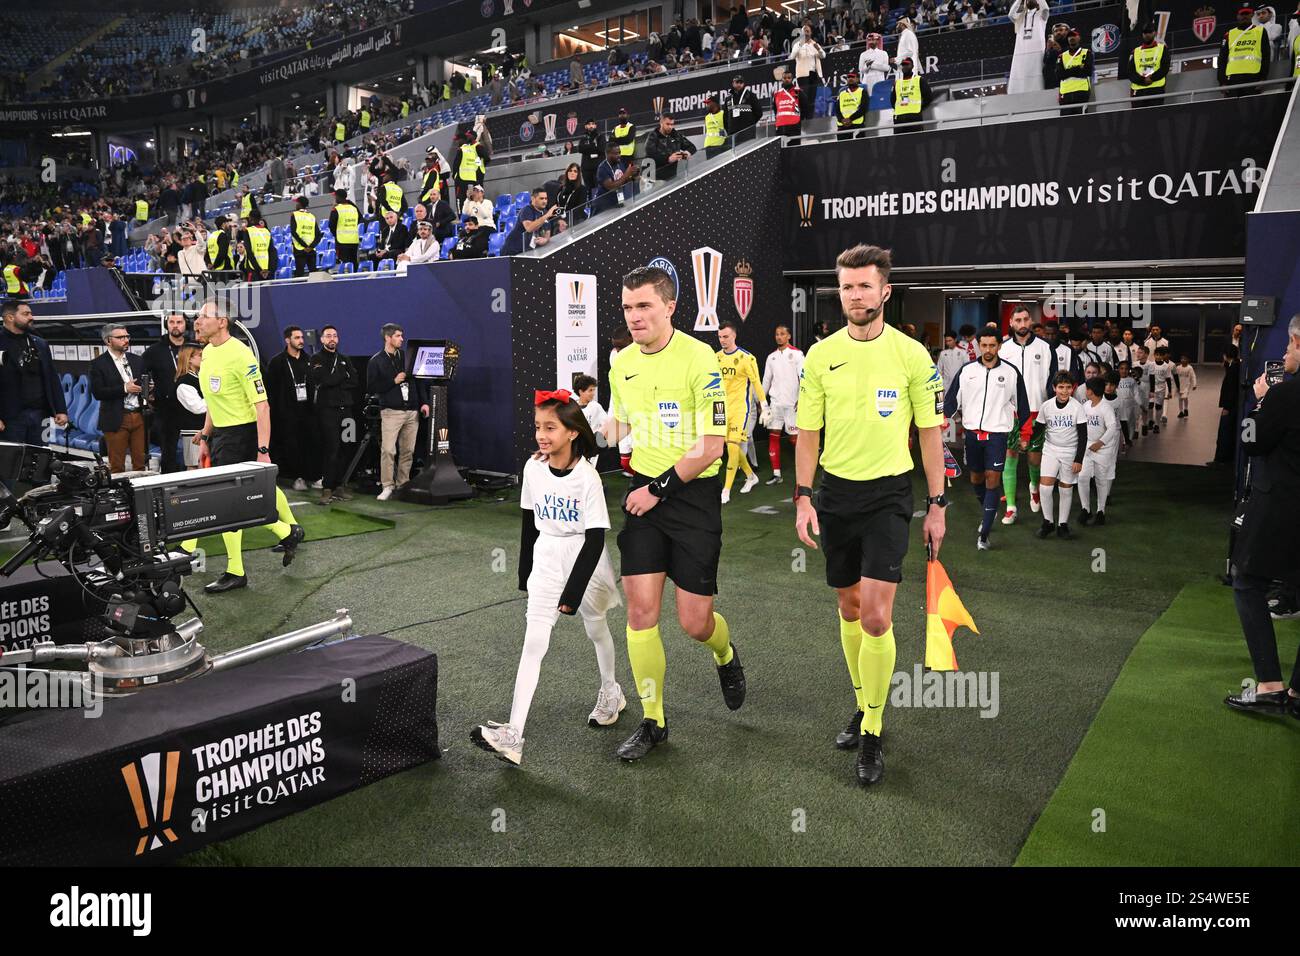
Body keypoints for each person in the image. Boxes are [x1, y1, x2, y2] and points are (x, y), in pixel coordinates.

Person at [793, 244, 947, 786]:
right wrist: (804, 495)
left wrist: (937, 504)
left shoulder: (912, 356)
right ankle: (863, 702)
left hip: (888, 497)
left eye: (865, 286)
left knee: (879, 616)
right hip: (836, 496)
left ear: (885, 291)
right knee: (851, 608)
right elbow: (808, 431)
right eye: (848, 286)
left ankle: (875, 730)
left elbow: (930, 433)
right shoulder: (819, 356)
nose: (856, 295)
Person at [604, 266, 744, 761]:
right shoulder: (621, 363)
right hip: (644, 493)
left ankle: (725, 655)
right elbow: (616, 431)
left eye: (644, 306)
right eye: (627, 307)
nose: (635, 316)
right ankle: (653, 720)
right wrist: (566, 436)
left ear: (669, 307)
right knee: (641, 613)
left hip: (689, 498)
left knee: (693, 622)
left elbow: (710, 447)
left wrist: (659, 490)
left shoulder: (700, 359)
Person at [470, 391, 625, 765]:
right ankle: (513, 735)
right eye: (538, 426)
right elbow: (528, 521)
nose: (541, 434)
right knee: (534, 642)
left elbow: (595, 539)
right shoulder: (533, 467)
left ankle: (611, 692)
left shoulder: (588, 478)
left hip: (584, 559)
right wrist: (525, 573)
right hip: (546, 555)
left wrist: (572, 593)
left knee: (595, 627)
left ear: (572, 432)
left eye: (550, 427)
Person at [186, 301, 304, 593]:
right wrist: (206, 434)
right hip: (222, 436)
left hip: (243, 435)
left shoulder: (241, 355)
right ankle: (288, 532)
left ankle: (241, 566)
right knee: (248, 497)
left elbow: (262, 406)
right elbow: (214, 399)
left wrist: (263, 452)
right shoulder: (210, 352)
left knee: (229, 505)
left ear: (222, 321)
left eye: (203, 316)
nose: (197, 321)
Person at [1223, 314, 1300, 717]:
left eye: (1289, 345)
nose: (1285, 352)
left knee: (1247, 582)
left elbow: (1251, 442)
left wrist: (1260, 401)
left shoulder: (1286, 394)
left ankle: (1270, 685)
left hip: (1281, 508)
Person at [944, 325, 1030, 551]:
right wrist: (942, 421)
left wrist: (1025, 434)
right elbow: (952, 400)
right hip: (972, 435)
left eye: (993, 345)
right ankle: (988, 512)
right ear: (978, 346)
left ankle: (985, 533)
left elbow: (1022, 405)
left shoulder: (1011, 373)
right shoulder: (967, 370)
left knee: (993, 478)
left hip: (997, 435)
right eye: (984, 345)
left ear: (999, 346)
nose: (988, 349)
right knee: (976, 479)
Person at [998, 305, 1057, 524]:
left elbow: (1052, 382)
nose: (1022, 324)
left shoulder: (1045, 347)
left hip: (1037, 412)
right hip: (1010, 412)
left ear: (1030, 321)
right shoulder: (1002, 349)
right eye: (1018, 320)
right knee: (1009, 457)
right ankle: (1011, 507)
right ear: (1011, 323)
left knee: (1034, 459)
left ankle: (1034, 487)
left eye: (1025, 320)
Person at [367, 323, 430, 500]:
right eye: (397, 336)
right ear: (388, 338)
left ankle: (403, 484)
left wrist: (424, 403)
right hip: (391, 412)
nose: (401, 339)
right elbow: (371, 387)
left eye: (402, 336)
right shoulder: (376, 361)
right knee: (388, 450)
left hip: (411, 411)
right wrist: (393, 381)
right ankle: (387, 486)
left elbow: (418, 381)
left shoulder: (407, 357)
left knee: (408, 450)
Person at [0, 300, 68, 447]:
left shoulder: (40, 343)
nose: (32, 317)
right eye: (26, 314)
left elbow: (52, 378)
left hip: (41, 415)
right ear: (10, 317)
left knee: (41, 457)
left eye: (31, 313)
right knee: (10, 463)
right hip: (10, 417)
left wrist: (61, 409)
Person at [715, 320, 767, 503]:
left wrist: (765, 406)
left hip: (740, 409)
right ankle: (751, 476)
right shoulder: (716, 358)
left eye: (726, 336)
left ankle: (726, 490)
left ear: (734, 336)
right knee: (730, 449)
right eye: (720, 336)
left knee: (732, 447)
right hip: (720, 409)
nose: (723, 340)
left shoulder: (747, 358)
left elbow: (757, 383)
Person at [264, 326, 321, 492]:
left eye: (302, 337)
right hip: (286, 414)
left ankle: (313, 476)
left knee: (310, 444)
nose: (301, 341)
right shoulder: (277, 362)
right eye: (297, 338)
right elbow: (271, 389)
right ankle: (296, 478)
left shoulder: (309, 360)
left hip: (307, 412)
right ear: (288, 340)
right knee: (290, 446)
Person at [1032, 370, 1088, 539]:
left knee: (1065, 488)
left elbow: (1083, 436)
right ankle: (1047, 522)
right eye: (1061, 387)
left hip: (1070, 451)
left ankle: (1062, 524)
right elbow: (1038, 430)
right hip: (1050, 449)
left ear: (1073, 389)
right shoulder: (1047, 406)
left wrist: (1079, 459)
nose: (1064, 391)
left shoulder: (1077, 407)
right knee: (1045, 487)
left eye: (1068, 387)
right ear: (1054, 388)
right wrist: (1026, 440)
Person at [308, 324, 358, 505]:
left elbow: (354, 381)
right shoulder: (316, 358)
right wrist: (341, 376)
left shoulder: (345, 358)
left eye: (335, 336)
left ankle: (340, 486)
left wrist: (339, 379)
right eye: (328, 335)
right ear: (322, 339)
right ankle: (327, 488)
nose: (332, 339)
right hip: (328, 412)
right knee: (332, 449)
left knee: (347, 447)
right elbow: (324, 380)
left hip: (347, 412)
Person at [90, 324, 147, 474]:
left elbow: (142, 384)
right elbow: (98, 392)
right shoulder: (98, 364)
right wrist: (124, 388)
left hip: (139, 416)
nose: (126, 340)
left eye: (127, 336)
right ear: (108, 341)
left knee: (140, 464)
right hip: (116, 418)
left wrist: (148, 390)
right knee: (117, 466)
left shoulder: (137, 360)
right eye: (121, 337)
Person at [143, 312, 189, 474]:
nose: (175, 325)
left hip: (193, 408)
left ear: (185, 324)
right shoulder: (155, 351)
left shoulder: (194, 347)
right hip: (166, 410)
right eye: (172, 322)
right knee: (168, 452)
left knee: (196, 449)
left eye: (179, 322)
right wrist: (147, 393)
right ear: (166, 325)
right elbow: (140, 372)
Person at [761, 324, 803, 484]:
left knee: (795, 440)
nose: (779, 336)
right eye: (777, 334)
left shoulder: (797, 354)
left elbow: (803, 378)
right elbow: (766, 380)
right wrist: (761, 402)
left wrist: (802, 398)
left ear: (789, 336)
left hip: (792, 405)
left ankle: (804, 473)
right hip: (775, 404)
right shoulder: (771, 357)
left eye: (782, 334)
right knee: (773, 437)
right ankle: (776, 474)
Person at [1076, 376, 1119, 525]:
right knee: (1082, 477)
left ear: (1091, 391)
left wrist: (1100, 443)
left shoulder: (1105, 407)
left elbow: (1112, 427)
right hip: (1088, 448)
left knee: (1101, 480)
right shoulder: (1086, 406)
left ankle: (1101, 511)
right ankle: (1085, 509)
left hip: (1103, 450)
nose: (1085, 391)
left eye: (1087, 388)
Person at [1218, 5, 1271, 93]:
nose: (1244, 16)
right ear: (1237, 16)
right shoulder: (1229, 34)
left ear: (1252, 15)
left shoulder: (1260, 31)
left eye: (1247, 14)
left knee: (1253, 106)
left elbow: (1266, 55)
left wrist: (1263, 78)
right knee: (1232, 106)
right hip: (1232, 79)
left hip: (1254, 77)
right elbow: (1222, 59)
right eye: (1242, 14)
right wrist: (1222, 82)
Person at [173, 344, 206, 469]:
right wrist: (216, 400)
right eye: (200, 355)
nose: (204, 358)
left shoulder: (200, 377)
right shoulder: (184, 382)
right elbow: (197, 407)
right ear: (189, 359)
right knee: (194, 468)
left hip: (203, 431)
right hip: (192, 433)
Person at [1007, 0, 1051, 93]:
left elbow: (1046, 8)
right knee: (1020, 73)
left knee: (1037, 74)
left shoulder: (1041, 16)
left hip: (1037, 52)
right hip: (1021, 52)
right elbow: (1010, 15)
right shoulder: (1020, 17)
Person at [503, 187, 561, 255]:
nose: (544, 201)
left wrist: (545, 240)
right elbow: (529, 228)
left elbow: (547, 231)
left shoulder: (545, 212)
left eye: (546, 198)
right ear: (533, 199)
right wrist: (547, 215)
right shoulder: (526, 210)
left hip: (527, 252)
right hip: (512, 251)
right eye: (541, 198)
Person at [644, 114, 698, 183]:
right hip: (655, 178)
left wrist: (684, 154)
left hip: (672, 178)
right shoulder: (653, 136)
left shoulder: (676, 135)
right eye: (668, 124)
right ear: (661, 123)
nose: (670, 127)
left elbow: (692, 147)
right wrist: (668, 159)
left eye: (672, 124)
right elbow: (650, 156)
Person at [591, 143, 640, 216]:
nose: (619, 155)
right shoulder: (602, 168)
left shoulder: (619, 163)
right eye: (615, 153)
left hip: (617, 203)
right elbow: (612, 187)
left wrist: (633, 175)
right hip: (603, 207)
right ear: (607, 154)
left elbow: (623, 181)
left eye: (619, 153)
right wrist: (627, 174)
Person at [1129, 21, 1170, 106]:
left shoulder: (1163, 49)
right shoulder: (1136, 51)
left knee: (1155, 117)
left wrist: (1152, 78)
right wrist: (1142, 80)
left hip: (1156, 89)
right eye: (1145, 32)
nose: (1147, 35)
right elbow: (1130, 71)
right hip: (1138, 90)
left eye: (1149, 32)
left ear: (1154, 33)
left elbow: (1165, 68)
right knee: (1138, 118)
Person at [1215, 344, 1243, 463]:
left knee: (1225, 432)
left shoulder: (1234, 369)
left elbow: (1230, 390)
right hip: (1232, 405)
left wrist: (1226, 407)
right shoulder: (1234, 366)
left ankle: (1222, 458)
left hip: (1230, 407)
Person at [792, 22, 826, 118]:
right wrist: (800, 44)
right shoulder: (797, 44)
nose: (806, 33)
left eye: (808, 31)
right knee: (804, 98)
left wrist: (818, 49)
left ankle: (810, 120)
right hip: (802, 75)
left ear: (810, 33)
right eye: (804, 31)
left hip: (813, 74)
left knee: (812, 99)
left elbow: (823, 56)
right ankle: (802, 119)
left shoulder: (815, 44)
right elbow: (792, 56)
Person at [1057, 29, 1093, 115]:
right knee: (1065, 123)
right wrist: (1078, 68)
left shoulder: (1087, 53)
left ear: (1079, 38)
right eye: (1069, 36)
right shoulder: (1062, 56)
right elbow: (1059, 75)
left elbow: (1088, 71)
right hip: (1065, 93)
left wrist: (1068, 71)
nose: (1071, 38)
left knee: (1082, 121)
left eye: (1074, 35)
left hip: (1081, 92)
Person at [891, 58, 932, 127]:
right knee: (899, 138)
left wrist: (919, 107)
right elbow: (893, 100)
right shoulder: (897, 82)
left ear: (912, 66)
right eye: (903, 65)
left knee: (916, 137)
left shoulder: (919, 80)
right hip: (899, 117)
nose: (905, 67)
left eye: (907, 64)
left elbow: (928, 97)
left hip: (914, 116)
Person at [723, 74, 762, 146]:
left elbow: (759, 112)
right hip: (733, 134)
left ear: (743, 84)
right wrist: (729, 131)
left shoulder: (751, 96)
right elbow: (725, 117)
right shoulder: (728, 99)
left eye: (741, 83)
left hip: (747, 132)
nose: (739, 84)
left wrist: (750, 124)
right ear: (733, 83)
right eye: (737, 82)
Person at [329, 189, 361, 272]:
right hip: (354, 240)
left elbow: (331, 225)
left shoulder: (336, 209)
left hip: (342, 240)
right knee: (354, 262)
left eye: (335, 196)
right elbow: (360, 218)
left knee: (345, 264)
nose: (335, 198)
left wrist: (336, 234)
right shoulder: (354, 208)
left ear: (339, 197)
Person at [238, 217, 277, 283]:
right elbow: (272, 252)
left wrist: (262, 270)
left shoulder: (249, 231)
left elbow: (250, 253)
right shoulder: (266, 232)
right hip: (264, 271)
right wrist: (268, 270)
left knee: (255, 292)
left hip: (256, 270)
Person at [454, 130, 486, 206]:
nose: (456, 142)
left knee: (461, 199)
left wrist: (455, 176)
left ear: (461, 140)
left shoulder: (462, 150)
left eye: (457, 140)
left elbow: (456, 165)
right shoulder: (472, 149)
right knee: (471, 199)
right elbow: (476, 163)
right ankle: (472, 214)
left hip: (462, 179)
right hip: (472, 179)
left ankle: (462, 216)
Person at [289, 197, 320, 277]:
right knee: (314, 273)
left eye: (297, 203)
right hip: (311, 250)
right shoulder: (312, 216)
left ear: (299, 204)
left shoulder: (295, 215)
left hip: (300, 249)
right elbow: (318, 235)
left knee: (299, 273)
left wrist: (304, 246)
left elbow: (294, 232)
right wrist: (311, 246)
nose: (296, 205)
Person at [1149, 346, 1176, 430]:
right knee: (1150, 405)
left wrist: (1170, 391)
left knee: (1158, 406)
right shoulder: (1152, 365)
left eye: (1160, 355)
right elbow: (1151, 378)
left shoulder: (1166, 366)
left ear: (1163, 356)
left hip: (1161, 388)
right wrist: (1151, 390)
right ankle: (1150, 421)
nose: (1158, 357)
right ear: (1154, 355)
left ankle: (1157, 424)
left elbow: (1168, 379)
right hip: (1153, 387)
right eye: (1156, 355)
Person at [836, 70, 869, 137]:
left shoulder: (862, 91)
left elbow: (863, 109)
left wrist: (850, 119)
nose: (850, 79)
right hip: (842, 125)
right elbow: (837, 110)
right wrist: (842, 120)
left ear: (857, 79)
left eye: (853, 77)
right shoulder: (842, 93)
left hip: (857, 125)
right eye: (848, 77)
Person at [774, 69, 803, 143]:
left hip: (794, 125)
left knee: (794, 149)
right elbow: (775, 109)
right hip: (780, 126)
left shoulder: (798, 91)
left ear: (792, 79)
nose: (787, 79)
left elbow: (805, 107)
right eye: (785, 78)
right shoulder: (777, 94)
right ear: (782, 79)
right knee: (781, 151)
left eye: (789, 78)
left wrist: (799, 119)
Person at [577, 119, 606, 191]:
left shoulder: (601, 136)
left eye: (592, 124)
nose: (591, 126)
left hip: (598, 168)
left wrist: (587, 148)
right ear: (585, 126)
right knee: (589, 190)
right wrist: (593, 146)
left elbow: (601, 149)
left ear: (595, 126)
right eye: (589, 124)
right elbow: (580, 149)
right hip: (586, 169)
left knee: (599, 189)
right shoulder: (583, 138)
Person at [858, 32, 890, 97]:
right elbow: (861, 70)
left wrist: (872, 65)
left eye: (873, 40)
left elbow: (887, 68)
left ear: (877, 41)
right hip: (867, 81)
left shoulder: (883, 53)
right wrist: (867, 65)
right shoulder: (863, 54)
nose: (871, 42)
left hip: (879, 80)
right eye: (869, 40)